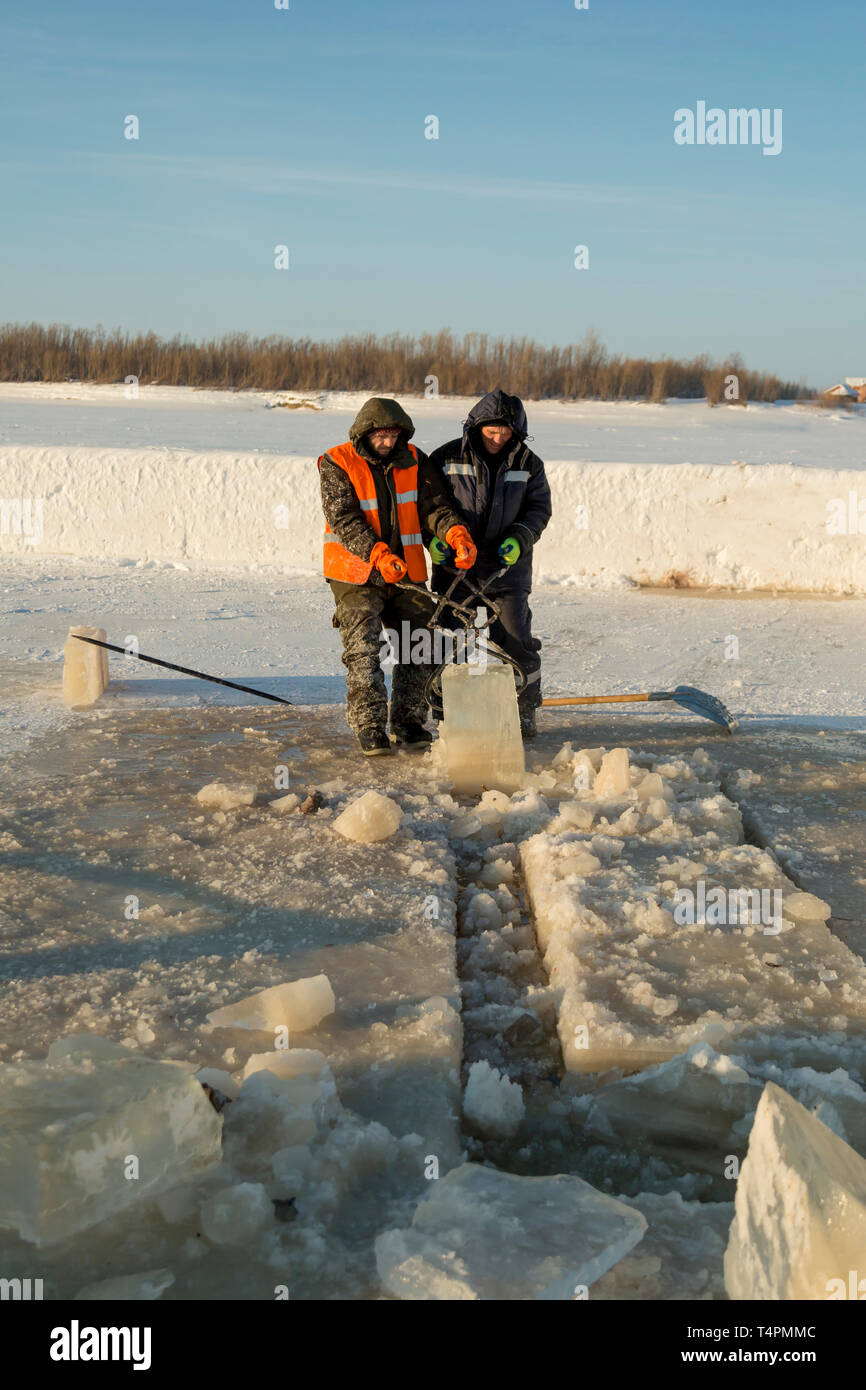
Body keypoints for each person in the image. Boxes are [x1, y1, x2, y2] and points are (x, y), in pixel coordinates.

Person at [319, 397, 476, 755]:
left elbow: (435, 508)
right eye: (381, 436)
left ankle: (408, 720)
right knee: (363, 645)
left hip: (405, 572)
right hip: (356, 573)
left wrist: (455, 534)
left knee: (420, 641)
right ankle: (370, 725)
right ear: (365, 433)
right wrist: (377, 553)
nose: (388, 443)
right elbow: (344, 518)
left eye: (393, 436)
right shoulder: (336, 462)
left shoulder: (416, 461)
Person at [428, 388, 551, 738]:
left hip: (507, 570)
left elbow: (539, 509)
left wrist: (520, 538)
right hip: (456, 569)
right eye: (491, 430)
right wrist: (432, 539)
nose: (498, 438)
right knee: (445, 640)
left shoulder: (528, 464)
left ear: (517, 431)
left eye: (505, 431)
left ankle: (524, 712)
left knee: (516, 640)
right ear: (475, 426)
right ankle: (442, 713)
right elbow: (430, 504)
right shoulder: (446, 457)